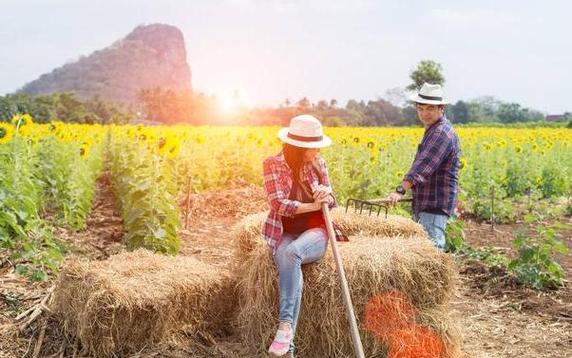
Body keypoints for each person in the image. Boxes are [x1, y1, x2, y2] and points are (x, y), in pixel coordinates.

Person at [262, 114, 344, 357]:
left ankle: (285, 325)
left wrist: (325, 198)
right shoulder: (272, 164)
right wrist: (313, 205)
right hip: (283, 230)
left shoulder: (320, 165)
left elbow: (332, 201)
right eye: (313, 146)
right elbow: (278, 204)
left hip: (316, 230)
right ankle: (289, 349)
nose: (317, 150)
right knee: (287, 255)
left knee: (294, 252)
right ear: (298, 146)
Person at [386, 83, 460, 250]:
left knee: (431, 255)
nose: (424, 113)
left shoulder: (441, 132)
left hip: (434, 206)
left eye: (430, 109)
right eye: (421, 109)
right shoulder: (434, 130)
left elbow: (423, 167)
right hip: (428, 203)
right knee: (424, 254)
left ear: (441, 108)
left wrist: (400, 190)